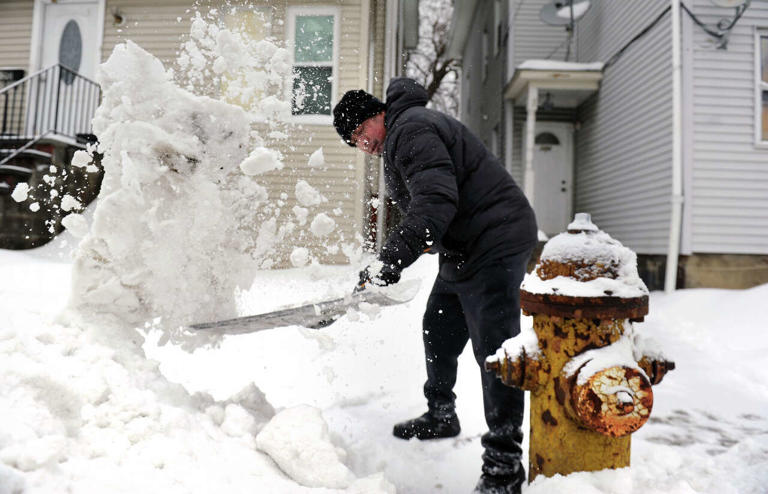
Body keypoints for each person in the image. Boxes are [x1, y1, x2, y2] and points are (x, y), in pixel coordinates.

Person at [332, 78, 537, 494]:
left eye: (360, 131)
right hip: (465, 247)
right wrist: (401, 253)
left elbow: (435, 203)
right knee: (439, 327)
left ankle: (504, 464)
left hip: (495, 240)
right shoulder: (406, 131)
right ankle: (442, 414)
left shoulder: (410, 129)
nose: (363, 144)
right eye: (354, 142)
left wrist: (391, 259)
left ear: (377, 114)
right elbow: (436, 204)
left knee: (494, 350)